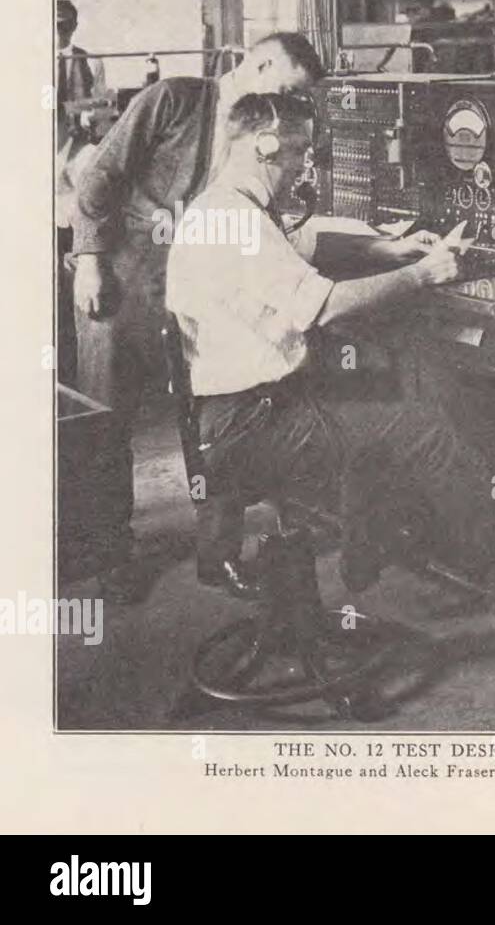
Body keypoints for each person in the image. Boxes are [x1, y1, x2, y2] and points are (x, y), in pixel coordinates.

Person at [165, 93, 495, 595]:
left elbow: (307, 242)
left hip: (238, 411)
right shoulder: (239, 223)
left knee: (381, 391)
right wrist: (422, 272)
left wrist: (385, 248)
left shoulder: (224, 206)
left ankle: (367, 556)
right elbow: (325, 305)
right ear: (267, 148)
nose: (305, 167)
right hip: (250, 424)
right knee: (423, 428)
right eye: (302, 152)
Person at [71, 32, 327, 602]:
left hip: (200, 294)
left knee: (218, 413)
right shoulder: (175, 100)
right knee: (110, 421)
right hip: (125, 282)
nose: (289, 108)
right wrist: (90, 263)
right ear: (257, 63)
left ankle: (221, 554)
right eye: (285, 90)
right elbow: (97, 179)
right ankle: (110, 553)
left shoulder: (259, 136)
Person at [55, 0, 109, 386]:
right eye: (56, 24)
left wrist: (88, 114)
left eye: (67, 25)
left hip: (76, 153)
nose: (62, 31)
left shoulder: (90, 61)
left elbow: (104, 111)